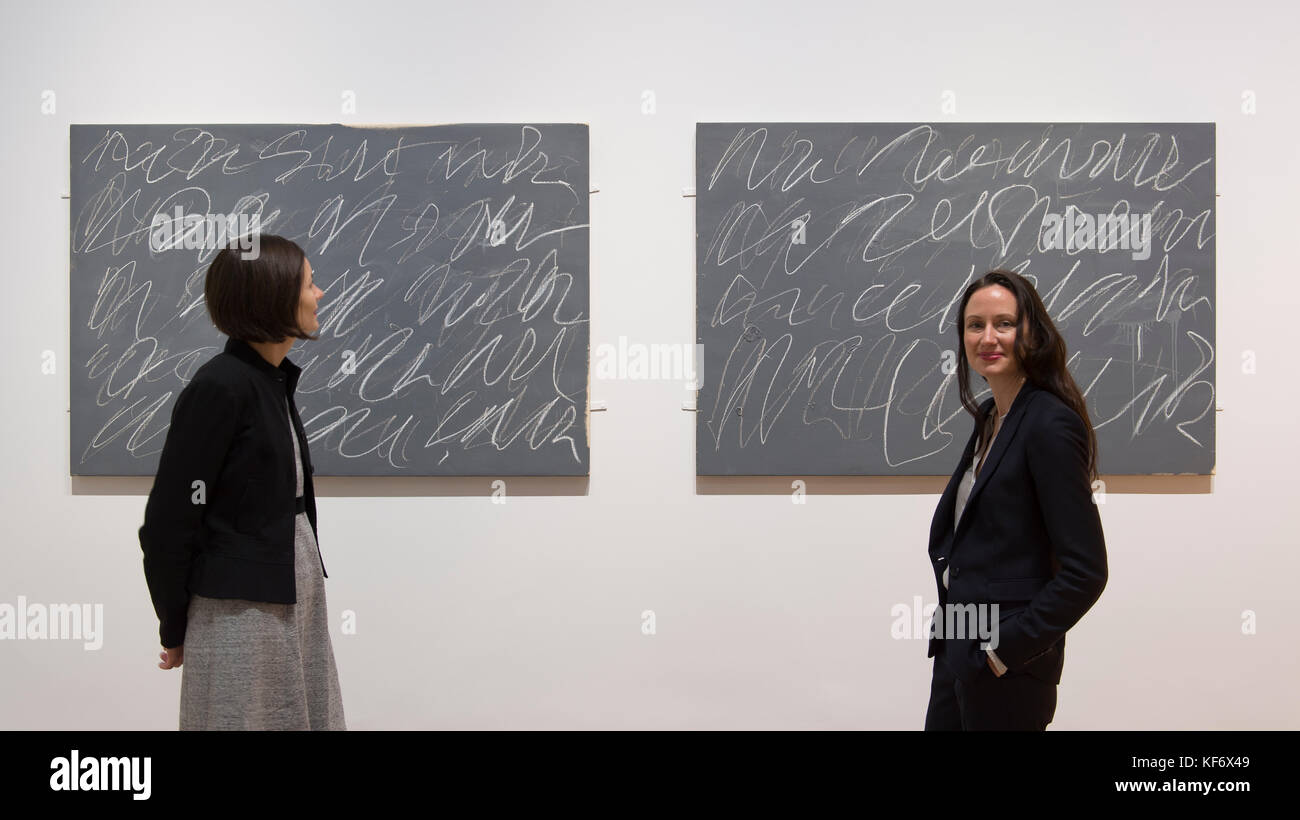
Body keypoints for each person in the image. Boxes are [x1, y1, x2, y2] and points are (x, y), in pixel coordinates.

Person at [138, 234, 345, 730]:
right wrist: (174, 623)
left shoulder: (270, 381)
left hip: (291, 598)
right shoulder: (221, 386)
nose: (320, 295)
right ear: (273, 296)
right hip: (242, 613)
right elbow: (168, 523)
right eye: (310, 284)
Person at [923, 269, 1107, 731]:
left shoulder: (1048, 424)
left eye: (1004, 323)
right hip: (957, 649)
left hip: (1007, 672)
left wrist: (1001, 652)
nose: (988, 337)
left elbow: (1086, 572)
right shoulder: (989, 416)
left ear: (1032, 333)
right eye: (974, 325)